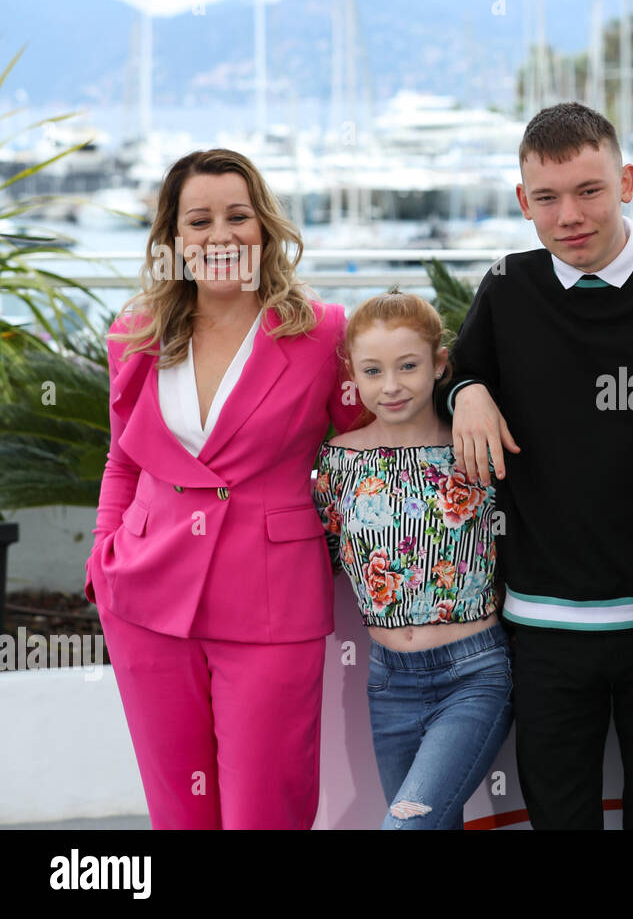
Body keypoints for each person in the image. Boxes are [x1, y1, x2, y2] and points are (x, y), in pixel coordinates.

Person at [441, 102, 633, 829]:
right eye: (547, 198)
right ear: (524, 201)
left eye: (589, 191)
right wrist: (467, 391)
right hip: (542, 629)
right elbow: (450, 373)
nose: (569, 216)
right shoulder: (508, 289)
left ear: (627, 181)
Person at [84, 148, 368, 829]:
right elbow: (123, 459)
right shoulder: (134, 333)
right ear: (175, 239)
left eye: (237, 216)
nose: (220, 236)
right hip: (146, 600)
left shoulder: (322, 332)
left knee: (264, 807)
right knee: (179, 811)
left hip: (271, 603)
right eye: (199, 220)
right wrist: (101, 557)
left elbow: (364, 448)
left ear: (263, 228)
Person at [312, 290, 510, 830]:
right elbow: (328, 553)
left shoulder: (473, 448)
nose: (391, 385)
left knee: (407, 825)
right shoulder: (336, 460)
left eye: (408, 366)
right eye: (373, 370)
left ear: (439, 363)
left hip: (473, 673)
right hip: (387, 680)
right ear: (353, 373)